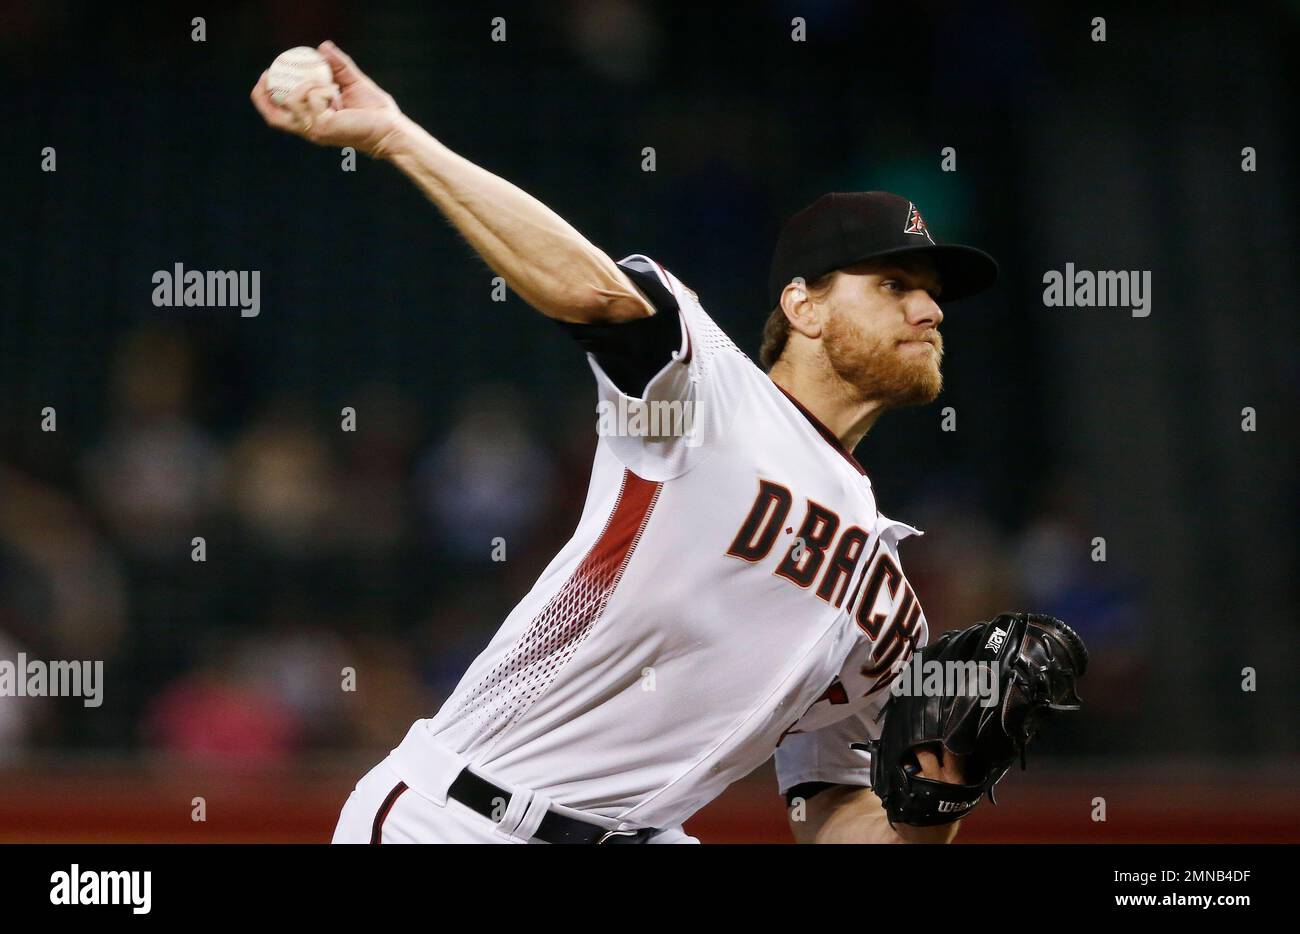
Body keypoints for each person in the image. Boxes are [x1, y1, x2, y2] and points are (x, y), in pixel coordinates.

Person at [252, 42, 999, 844]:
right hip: (466, 819)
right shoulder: (707, 393)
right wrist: (397, 137)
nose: (929, 312)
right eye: (893, 285)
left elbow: (838, 817)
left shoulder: (888, 606)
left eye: (932, 295)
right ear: (804, 308)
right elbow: (596, 292)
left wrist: (942, 790)